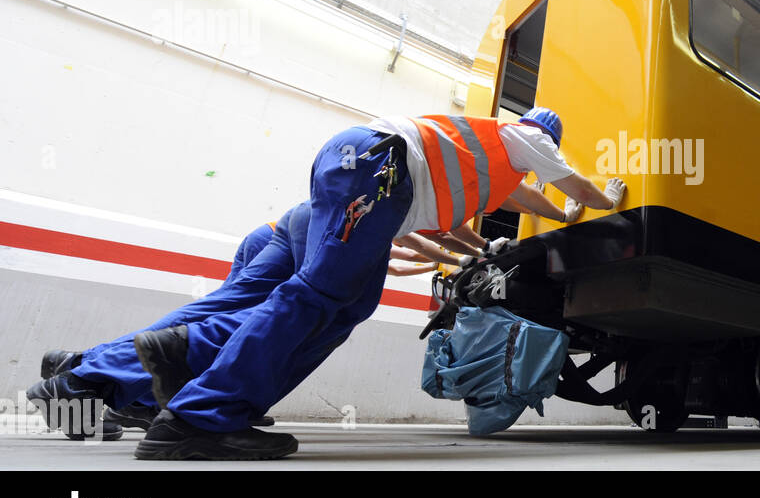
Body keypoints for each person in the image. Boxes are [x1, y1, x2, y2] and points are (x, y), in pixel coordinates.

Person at [134, 107, 625, 460]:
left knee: (349, 304)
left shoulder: (486, 167)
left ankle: (223, 399)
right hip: (377, 167)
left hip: (363, 164)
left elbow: (523, 207)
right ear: (544, 137)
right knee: (318, 295)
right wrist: (606, 199)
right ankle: (197, 406)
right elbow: (573, 186)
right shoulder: (523, 135)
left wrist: (538, 226)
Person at [28, 207, 449, 439]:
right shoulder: (405, 202)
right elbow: (409, 251)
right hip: (290, 234)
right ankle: (94, 379)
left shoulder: (373, 193)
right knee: (285, 319)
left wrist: (442, 262)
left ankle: (89, 370)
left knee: (222, 311)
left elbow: (393, 263)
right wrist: (454, 260)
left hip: (275, 230)